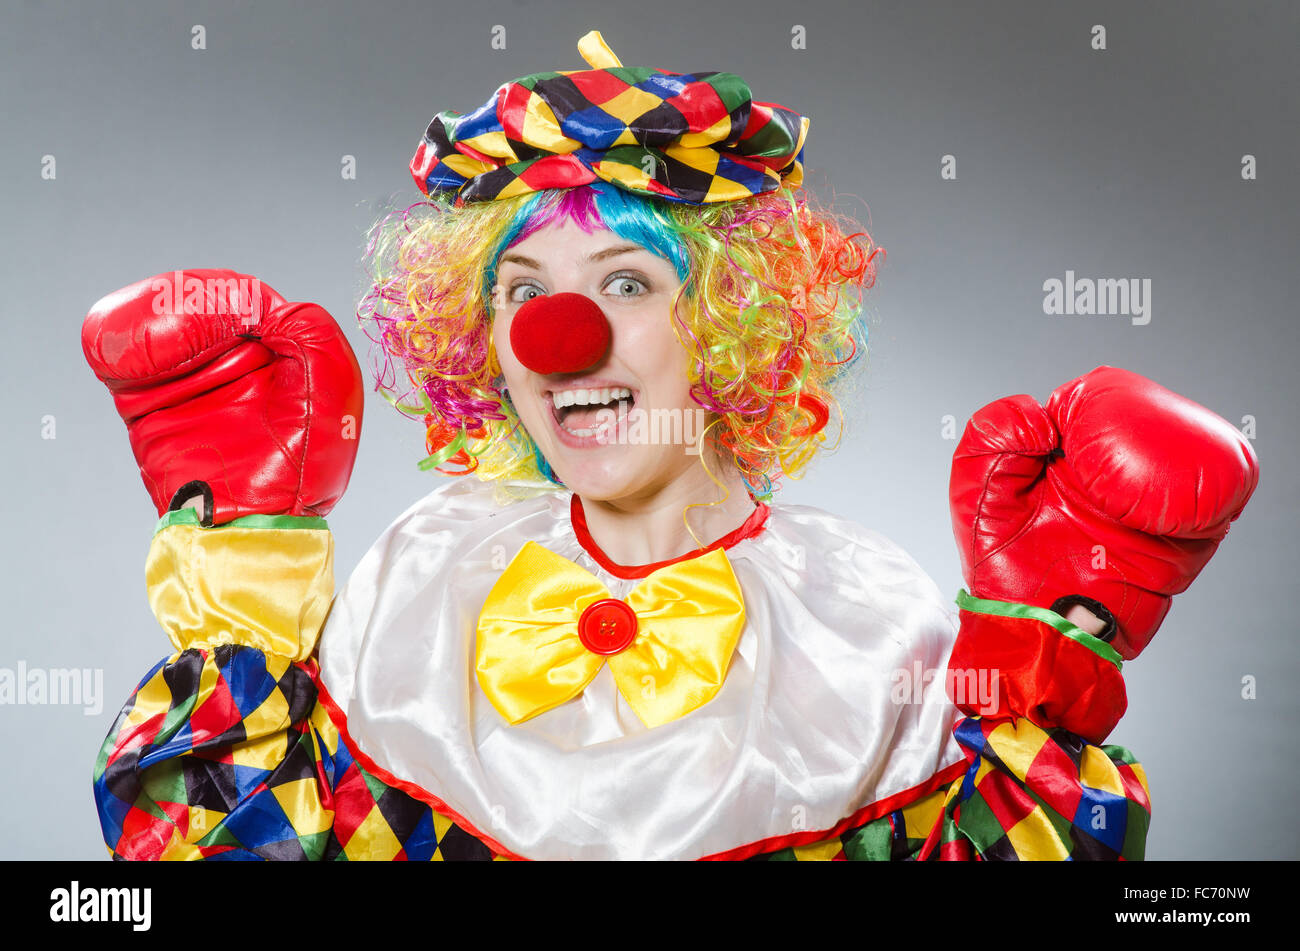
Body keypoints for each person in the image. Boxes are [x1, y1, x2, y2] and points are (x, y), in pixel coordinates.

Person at [83, 31, 1258, 861]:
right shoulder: (420, 574)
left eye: (628, 282)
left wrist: (1048, 661)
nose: (559, 335)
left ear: (735, 321)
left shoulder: (869, 619)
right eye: (520, 290)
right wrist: (241, 564)